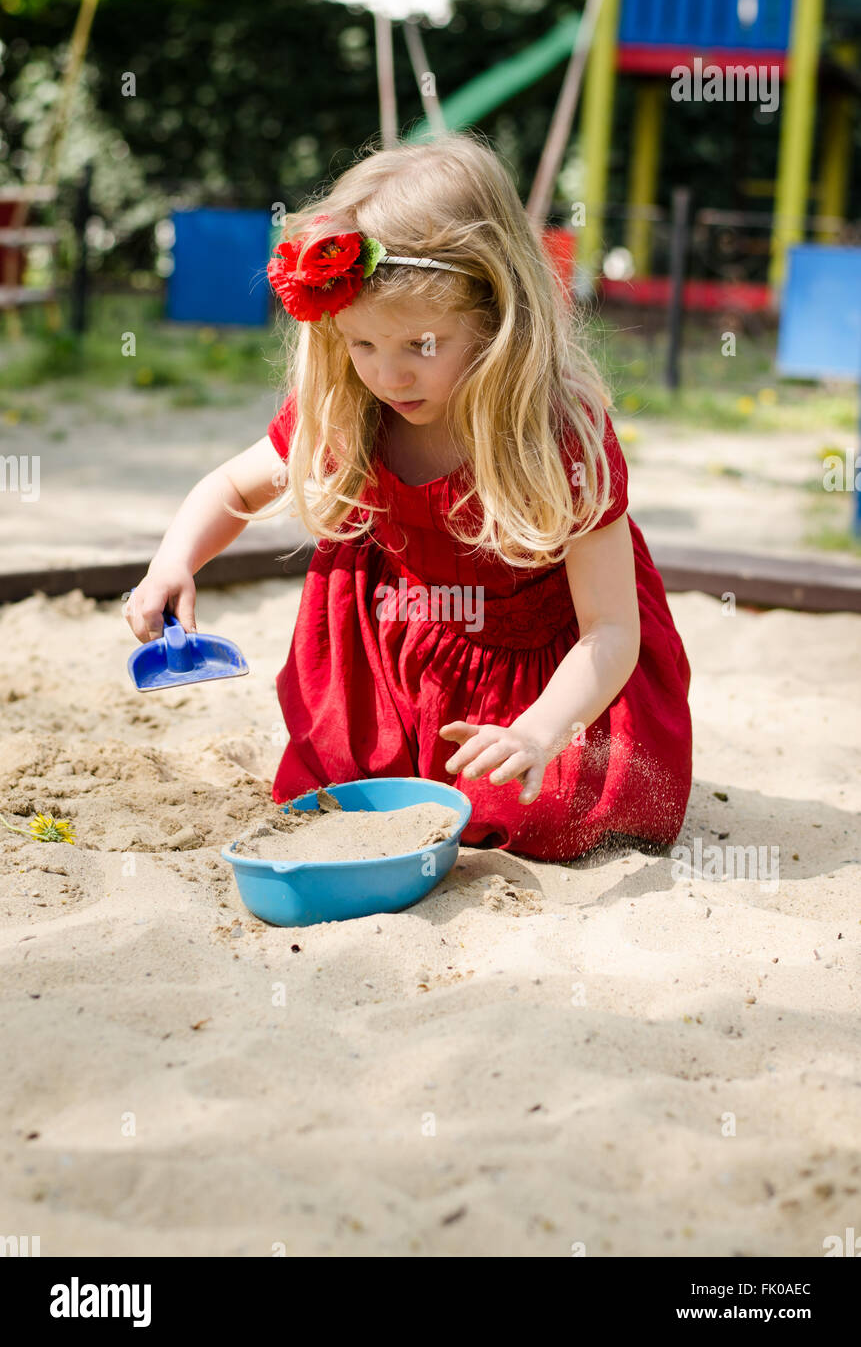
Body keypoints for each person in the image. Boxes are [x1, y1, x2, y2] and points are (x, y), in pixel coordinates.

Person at [125, 131, 692, 862]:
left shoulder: (556, 435)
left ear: (494, 319)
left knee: (540, 814)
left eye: (419, 346)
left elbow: (611, 630)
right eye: (361, 346)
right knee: (342, 790)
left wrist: (537, 729)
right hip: (389, 653)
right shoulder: (349, 411)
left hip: (546, 671)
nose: (387, 376)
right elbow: (232, 486)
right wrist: (176, 560)